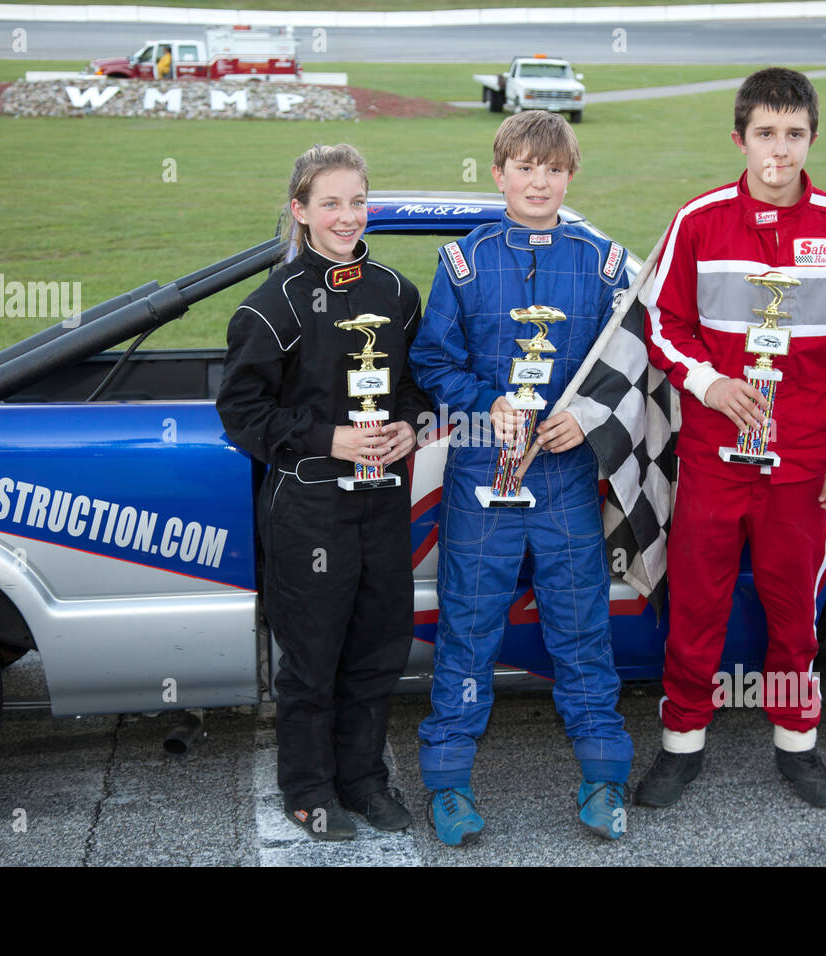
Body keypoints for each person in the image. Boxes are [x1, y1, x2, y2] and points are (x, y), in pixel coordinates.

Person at [638, 67, 826, 809]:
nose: (778, 150)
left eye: (793, 134)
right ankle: (681, 743)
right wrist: (709, 383)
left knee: (792, 610)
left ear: (812, 137)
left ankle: (798, 745)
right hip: (713, 460)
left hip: (805, 466)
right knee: (695, 606)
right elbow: (660, 322)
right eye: (764, 134)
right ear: (739, 138)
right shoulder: (698, 218)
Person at [409, 110, 634, 845]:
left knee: (581, 630)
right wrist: (488, 402)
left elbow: (635, 358)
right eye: (525, 167)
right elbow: (432, 363)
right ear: (499, 171)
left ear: (571, 175)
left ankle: (605, 776)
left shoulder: (602, 263)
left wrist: (593, 416)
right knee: (468, 632)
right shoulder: (463, 263)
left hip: (567, 477)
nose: (539, 181)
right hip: (483, 478)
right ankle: (447, 783)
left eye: (554, 168)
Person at [216, 144, 429, 841]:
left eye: (357, 201)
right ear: (299, 211)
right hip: (310, 510)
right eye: (330, 203)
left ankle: (363, 778)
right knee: (312, 658)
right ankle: (307, 788)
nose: (346, 216)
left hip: (382, 502)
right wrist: (329, 439)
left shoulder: (396, 293)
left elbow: (416, 387)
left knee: (378, 649)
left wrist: (408, 427)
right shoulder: (271, 305)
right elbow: (242, 413)